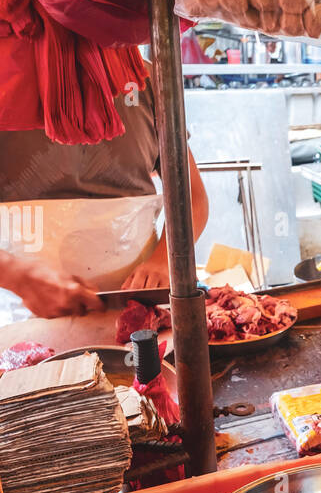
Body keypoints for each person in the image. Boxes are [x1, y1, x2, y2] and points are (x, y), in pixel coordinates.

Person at [0, 72, 208, 318]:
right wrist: (19, 277)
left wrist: (164, 259)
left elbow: (193, 199)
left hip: (139, 311)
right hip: (23, 316)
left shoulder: (146, 78)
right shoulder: (7, 73)